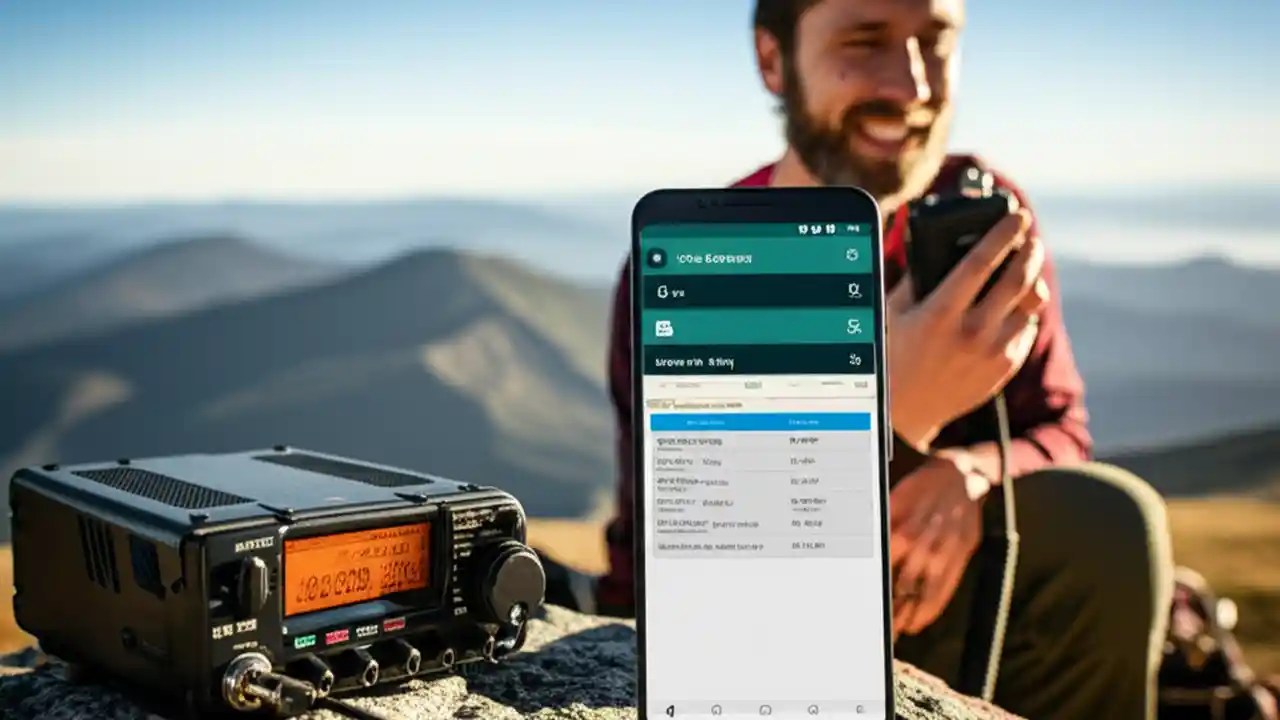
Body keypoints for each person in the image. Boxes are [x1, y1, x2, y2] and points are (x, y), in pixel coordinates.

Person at [585, 1, 1176, 718]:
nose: (914, 85)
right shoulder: (698, 268)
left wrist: (973, 475)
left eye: (935, 41)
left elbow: (1061, 432)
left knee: (1108, 522)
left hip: (955, 623)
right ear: (773, 61)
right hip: (766, 650)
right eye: (865, 41)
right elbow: (676, 548)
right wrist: (895, 419)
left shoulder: (983, 226)